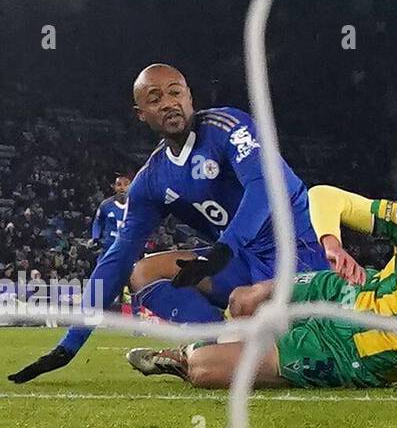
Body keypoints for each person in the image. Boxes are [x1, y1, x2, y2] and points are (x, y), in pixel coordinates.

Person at [7, 64, 357, 384]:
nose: (168, 103)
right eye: (155, 98)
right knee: (142, 272)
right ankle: (215, 341)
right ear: (141, 114)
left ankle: (257, 342)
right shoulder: (153, 179)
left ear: (190, 96)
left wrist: (225, 248)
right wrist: (69, 344)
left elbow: (264, 187)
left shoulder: (229, 127)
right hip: (244, 263)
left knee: (269, 317)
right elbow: (116, 258)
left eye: (176, 92)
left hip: (300, 253)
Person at [127, 173, 397, 394]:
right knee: (243, 299)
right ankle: (229, 336)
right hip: (346, 292)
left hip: (350, 352)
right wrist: (332, 243)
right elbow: (326, 196)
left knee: (206, 370)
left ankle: (186, 356)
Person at [90, 173, 132, 252]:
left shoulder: (137, 206)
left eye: (126, 184)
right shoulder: (105, 205)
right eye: (119, 184)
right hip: (108, 249)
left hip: (127, 249)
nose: (122, 188)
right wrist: (95, 237)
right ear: (114, 187)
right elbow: (98, 222)